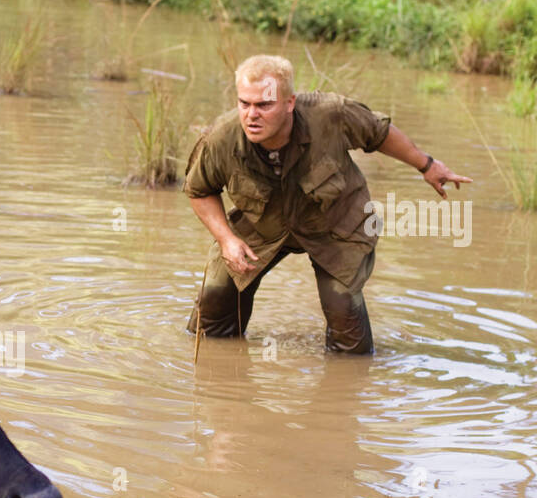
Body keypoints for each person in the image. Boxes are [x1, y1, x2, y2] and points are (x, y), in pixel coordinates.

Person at [184, 54, 472, 354]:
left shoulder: (331, 114)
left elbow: (379, 133)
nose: (251, 115)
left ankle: (347, 387)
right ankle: (219, 375)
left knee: (343, 311)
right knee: (215, 300)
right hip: (262, 227)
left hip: (335, 224)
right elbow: (199, 190)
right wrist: (227, 239)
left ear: (289, 103)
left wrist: (427, 166)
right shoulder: (221, 138)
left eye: (264, 105)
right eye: (245, 103)